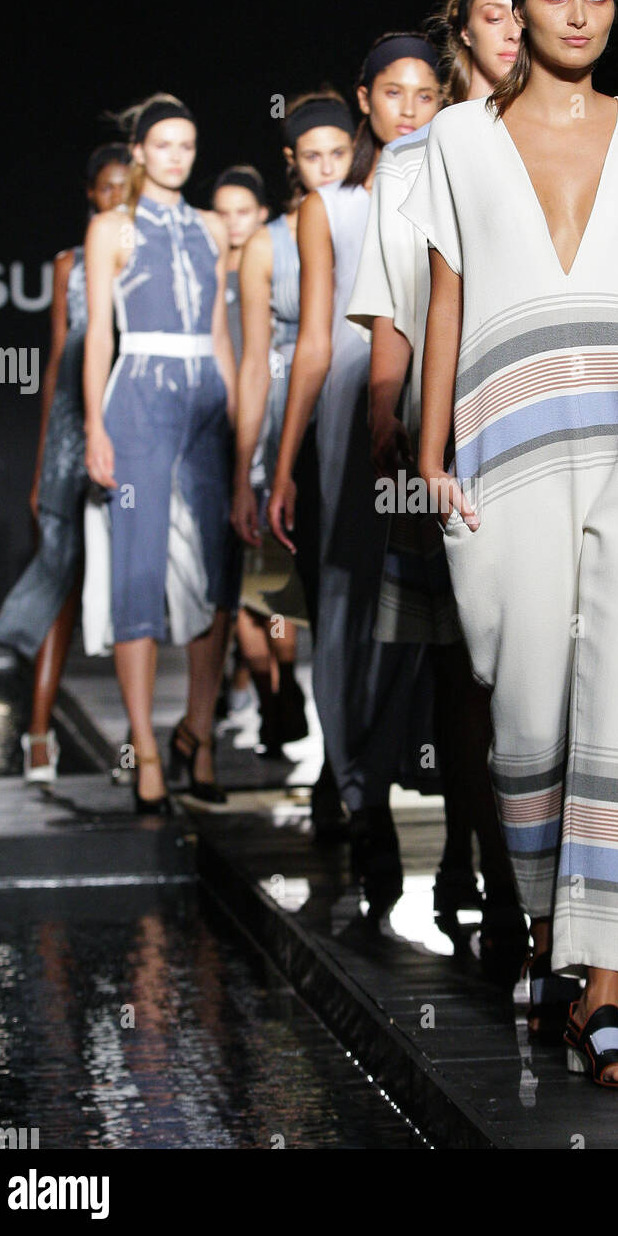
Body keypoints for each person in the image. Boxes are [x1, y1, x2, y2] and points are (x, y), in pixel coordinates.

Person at [403, 0, 618, 1087]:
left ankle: (606, 995)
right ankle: (541, 942)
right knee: (529, 715)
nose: (577, 13)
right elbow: (445, 294)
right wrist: (430, 441)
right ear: (517, 11)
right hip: (508, 449)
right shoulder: (453, 141)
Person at [346, 0, 529, 980]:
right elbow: (392, 316)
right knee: (465, 667)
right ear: (461, 24)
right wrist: (388, 411)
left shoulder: (563, 139)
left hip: (539, 425)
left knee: (529, 664)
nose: (514, 30)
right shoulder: (413, 163)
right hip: (445, 432)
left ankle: (502, 866)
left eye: (528, 9)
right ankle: (486, 867)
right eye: (498, 12)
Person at [267, 36, 442, 915]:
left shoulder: (453, 193)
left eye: (426, 94)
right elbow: (308, 342)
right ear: (365, 102)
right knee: (347, 596)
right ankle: (359, 791)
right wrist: (278, 464)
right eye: (394, 94)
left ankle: (376, 775)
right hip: (346, 395)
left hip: (435, 387)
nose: (410, 108)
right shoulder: (328, 208)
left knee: (423, 602)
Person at [83, 93, 239, 814]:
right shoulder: (110, 227)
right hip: (138, 395)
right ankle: (145, 749)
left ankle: (199, 738)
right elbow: (97, 339)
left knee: (214, 575)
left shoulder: (212, 227)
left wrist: (243, 444)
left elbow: (219, 334)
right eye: (164, 144)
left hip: (205, 397)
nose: (177, 156)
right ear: (138, 152)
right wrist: (94, 426)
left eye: (188, 144)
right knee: (138, 571)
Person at [0, 144, 130, 781]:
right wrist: (46, 455)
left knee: (135, 587)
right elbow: (55, 361)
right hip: (75, 433)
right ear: (90, 194)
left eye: (126, 188)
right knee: (63, 579)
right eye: (106, 188)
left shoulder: (150, 262)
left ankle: (144, 750)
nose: (116, 198)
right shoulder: (70, 265)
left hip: (133, 428)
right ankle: (40, 732)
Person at [230, 98, 357, 788]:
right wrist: (245, 471)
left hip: (361, 404)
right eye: (313, 155)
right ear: (293, 162)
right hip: (288, 417)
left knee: (348, 597)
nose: (329, 165)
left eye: (339, 150)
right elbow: (254, 361)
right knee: (282, 591)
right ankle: (289, 707)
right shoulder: (266, 242)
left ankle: (344, 764)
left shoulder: (371, 216)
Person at [212, 164, 309, 758]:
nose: (233, 223)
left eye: (243, 211)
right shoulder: (201, 276)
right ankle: (276, 700)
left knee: (272, 582)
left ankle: (282, 692)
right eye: (222, 213)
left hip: (268, 423)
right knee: (242, 588)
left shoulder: (279, 259)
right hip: (214, 435)